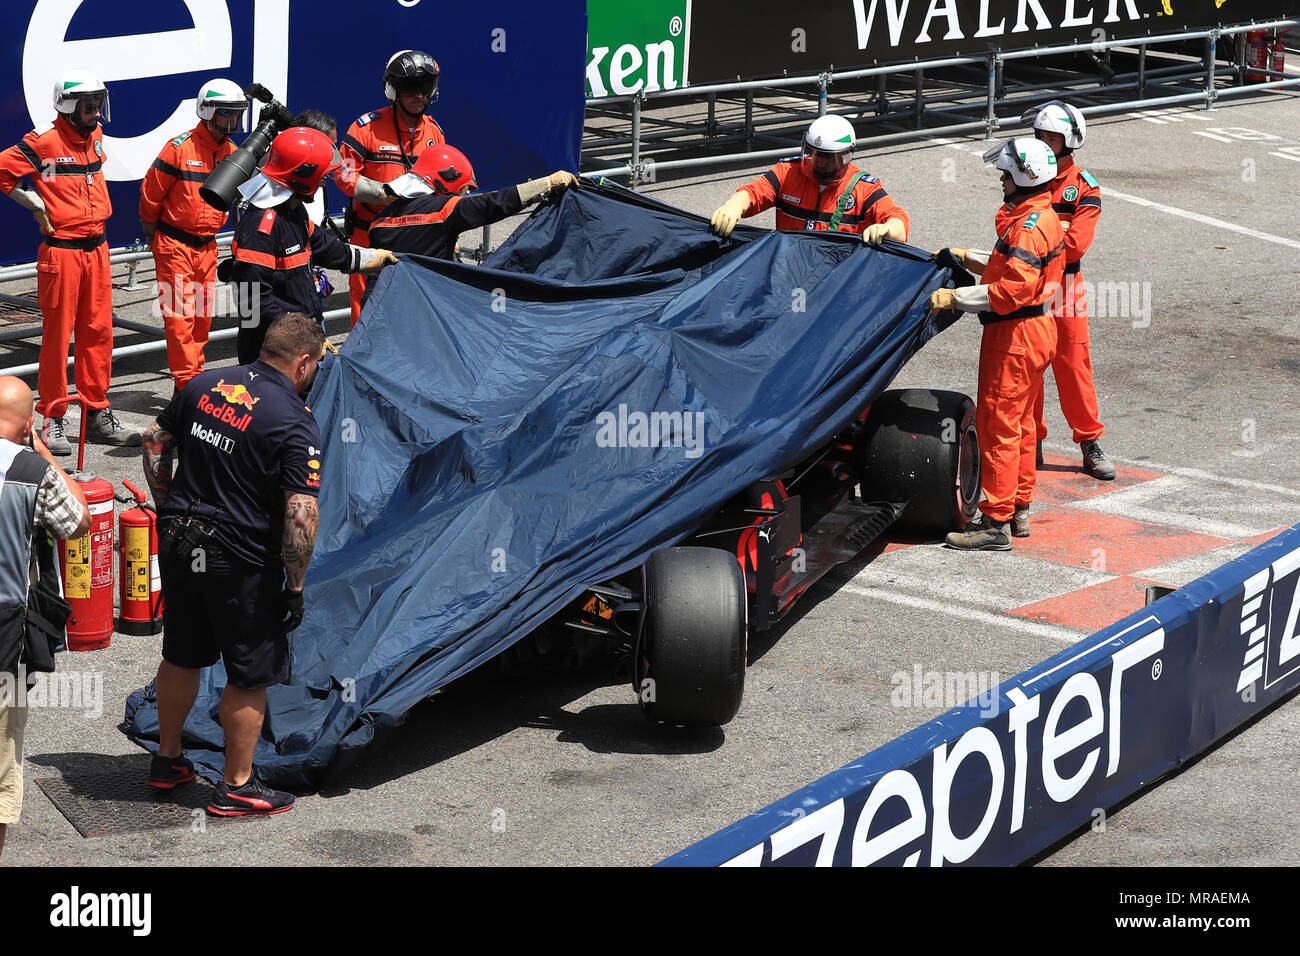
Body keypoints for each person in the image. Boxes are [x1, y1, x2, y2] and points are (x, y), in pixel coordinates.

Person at [141, 313, 328, 816]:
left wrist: (166, 505)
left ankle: (168, 759)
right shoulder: (294, 419)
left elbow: (154, 441)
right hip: (239, 560)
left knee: (181, 654)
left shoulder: (205, 382)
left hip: (181, 543)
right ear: (303, 362)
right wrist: (294, 585)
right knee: (249, 674)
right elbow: (300, 511)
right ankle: (239, 785)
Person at [930, 138, 1064, 550]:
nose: (1002, 180)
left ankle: (994, 521)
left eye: (1006, 174)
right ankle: (1020, 505)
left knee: (998, 425)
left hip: (1015, 337)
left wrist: (958, 298)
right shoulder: (1041, 216)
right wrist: (970, 257)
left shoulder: (1026, 224)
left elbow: (1012, 289)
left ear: (1024, 179)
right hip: (1039, 332)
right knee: (1022, 424)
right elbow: (1015, 264)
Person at [0, 70, 140, 453]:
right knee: (58, 338)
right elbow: (2, 171)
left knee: (98, 332)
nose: (96, 112)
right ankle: (53, 418)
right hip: (61, 251)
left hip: (97, 249)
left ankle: (96, 413)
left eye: (98, 104)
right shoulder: (43, 141)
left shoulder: (94, 134)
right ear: (67, 106)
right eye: (88, 105)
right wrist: (35, 202)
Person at [0, 376, 90, 855]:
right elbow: (79, 521)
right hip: (5, 642)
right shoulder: (32, 471)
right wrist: (44, 452)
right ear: (28, 423)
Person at [229, 127, 397, 364]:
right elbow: (253, 301)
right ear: (303, 175)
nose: (324, 179)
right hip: (272, 353)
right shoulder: (261, 225)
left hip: (297, 343)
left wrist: (376, 259)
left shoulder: (292, 210)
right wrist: (302, 338)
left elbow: (328, 249)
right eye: (321, 173)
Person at [1023, 100, 1115, 480]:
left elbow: (1075, 244)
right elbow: (1008, 228)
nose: (1044, 143)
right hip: (1030, 283)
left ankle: (1089, 443)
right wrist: (1051, 234)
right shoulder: (1028, 175)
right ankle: (1033, 442)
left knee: (1073, 364)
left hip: (1064, 287)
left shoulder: (1084, 187)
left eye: (1052, 137)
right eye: (1040, 135)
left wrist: (1039, 238)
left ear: (1070, 141)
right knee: (1029, 364)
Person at [140, 79, 248, 394]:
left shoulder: (234, 153)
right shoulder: (179, 148)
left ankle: (190, 382)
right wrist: (154, 239)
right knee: (179, 321)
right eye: (226, 113)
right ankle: (187, 384)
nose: (232, 120)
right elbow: (150, 197)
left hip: (208, 247)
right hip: (174, 244)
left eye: (236, 113)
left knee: (201, 320)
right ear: (207, 111)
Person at [335, 50, 447, 324]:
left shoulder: (434, 131)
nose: (418, 95)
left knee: (416, 312)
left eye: (425, 87)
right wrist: (381, 193)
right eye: (410, 87)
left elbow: (444, 181)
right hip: (369, 238)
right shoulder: (365, 129)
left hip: (418, 237)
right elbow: (343, 176)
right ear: (392, 89)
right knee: (368, 316)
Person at [367, 145, 577, 269]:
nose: (461, 195)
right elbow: (493, 204)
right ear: (445, 181)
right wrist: (547, 184)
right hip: (421, 311)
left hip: (380, 310)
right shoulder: (444, 210)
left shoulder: (378, 223)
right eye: (461, 190)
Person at [709, 115, 909, 242]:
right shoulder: (788, 172)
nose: (818, 161)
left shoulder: (864, 189)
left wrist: (887, 230)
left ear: (847, 156)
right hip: (789, 267)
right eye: (814, 153)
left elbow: (897, 219)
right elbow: (754, 193)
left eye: (827, 157)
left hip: (838, 279)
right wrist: (733, 205)